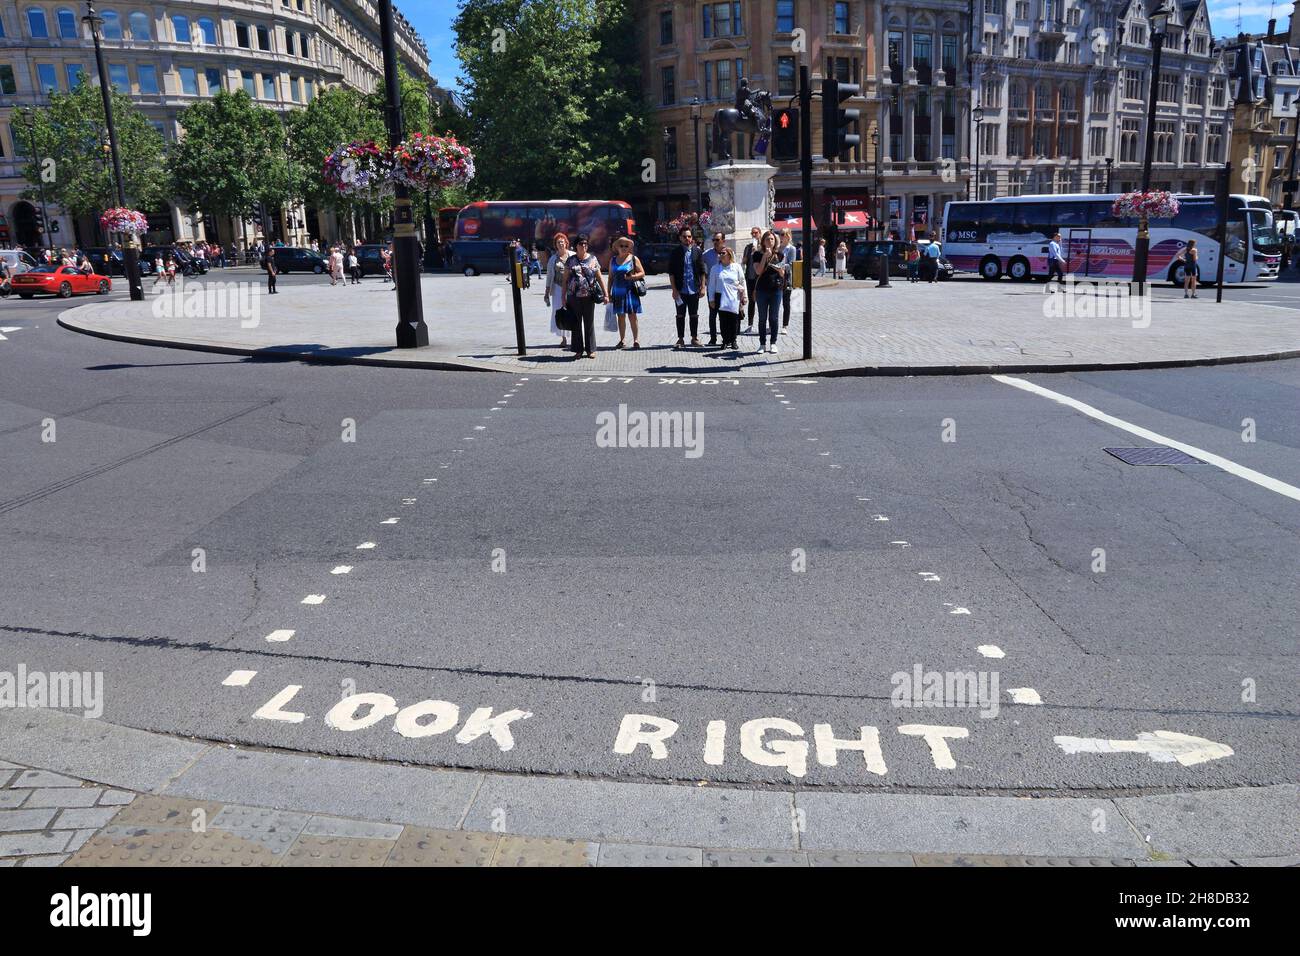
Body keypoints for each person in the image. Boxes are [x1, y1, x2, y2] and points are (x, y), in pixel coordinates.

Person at [561, 233, 606, 359]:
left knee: (589, 323)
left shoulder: (593, 259)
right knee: (576, 323)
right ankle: (578, 350)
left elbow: (599, 277)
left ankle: (590, 349)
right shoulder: (571, 260)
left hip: (589, 296)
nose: (584, 245)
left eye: (586, 243)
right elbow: (564, 280)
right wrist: (563, 297)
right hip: (573, 297)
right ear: (576, 246)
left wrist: (606, 294)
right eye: (581, 243)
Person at [667, 226, 705, 348]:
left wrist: (703, 287)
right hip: (680, 290)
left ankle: (694, 338)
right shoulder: (675, 252)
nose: (687, 239)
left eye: (689, 236)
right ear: (680, 238)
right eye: (684, 236)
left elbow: (702, 271)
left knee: (694, 315)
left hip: (694, 289)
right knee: (680, 315)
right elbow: (671, 272)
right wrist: (674, 290)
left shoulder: (697, 251)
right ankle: (681, 339)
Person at [752, 229, 786, 355]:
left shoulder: (780, 254)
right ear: (763, 241)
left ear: (775, 241)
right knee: (762, 318)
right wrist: (765, 257)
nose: (770, 241)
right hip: (761, 290)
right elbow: (758, 271)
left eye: (772, 239)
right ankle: (762, 344)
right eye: (767, 239)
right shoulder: (757, 254)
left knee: (774, 317)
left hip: (776, 289)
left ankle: (773, 343)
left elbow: (783, 274)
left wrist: (779, 269)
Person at [608, 236, 645, 350]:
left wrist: (632, 277)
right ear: (617, 248)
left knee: (632, 316)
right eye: (621, 245)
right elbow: (610, 277)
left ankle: (636, 340)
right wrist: (608, 293)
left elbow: (642, 273)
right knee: (620, 316)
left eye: (626, 246)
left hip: (630, 291)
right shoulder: (613, 260)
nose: (624, 247)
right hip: (617, 291)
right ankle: (622, 340)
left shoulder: (633, 258)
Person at [708, 243, 746, 351]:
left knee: (734, 319)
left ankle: (733, 340)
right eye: (719, 253)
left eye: (723, 253)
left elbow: (743, 282)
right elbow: (711, 285)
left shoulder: (736, 267)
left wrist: (744, 297)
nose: (720, 255)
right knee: (723, 319)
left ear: (729, 255)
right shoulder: (715, 268)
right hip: (720, 295)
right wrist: (711, 299)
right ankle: (725, 340)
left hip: (734, 296)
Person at [544, 233, 574, 349]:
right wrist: (547, 292)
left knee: (572, 311)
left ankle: (574, 336)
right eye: (558, 242)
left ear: (566, 243)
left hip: (571, 288)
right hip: (557, 288)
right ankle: (564, 338)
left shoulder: (573, 256)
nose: (561, 244)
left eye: (562, 241)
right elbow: (549, 276)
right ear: (555, 245)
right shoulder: (553, 259)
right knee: (560, 312)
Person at [701, 232, 726, 346]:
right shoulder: (707, 254)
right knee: (712, 315)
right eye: (714, 240)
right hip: (712, 289)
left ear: (723, 241)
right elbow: (699, 266)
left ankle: (727, 339)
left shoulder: (728, 253)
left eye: (717, 240)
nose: (715, 242)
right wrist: (703, 280)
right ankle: (713, 338)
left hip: (725, 289)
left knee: (725, 315)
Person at [741, 226, 762, 333]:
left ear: (760, 233)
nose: (754, 235)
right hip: (750, 277)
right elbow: (744, 262)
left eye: (756, 233)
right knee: (751, 301)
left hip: (761, 278)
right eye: (752, 233)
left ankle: (763, 324)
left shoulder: (763, 246)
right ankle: (750, 324)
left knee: (762, 301)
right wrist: (747, 256)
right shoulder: (748, 247)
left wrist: (758, 251)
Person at [779, 229, 797, 333]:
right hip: (776, 277)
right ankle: (773, 325)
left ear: (788, 236)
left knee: (786, 302)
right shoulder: (777, 248)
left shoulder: (792, 249)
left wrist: (779, 266)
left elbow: (791, 265)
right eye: (780, 234)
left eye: (783, 235)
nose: (781, 237)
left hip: (787, 278)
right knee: (774, 303)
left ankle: (785, 325)